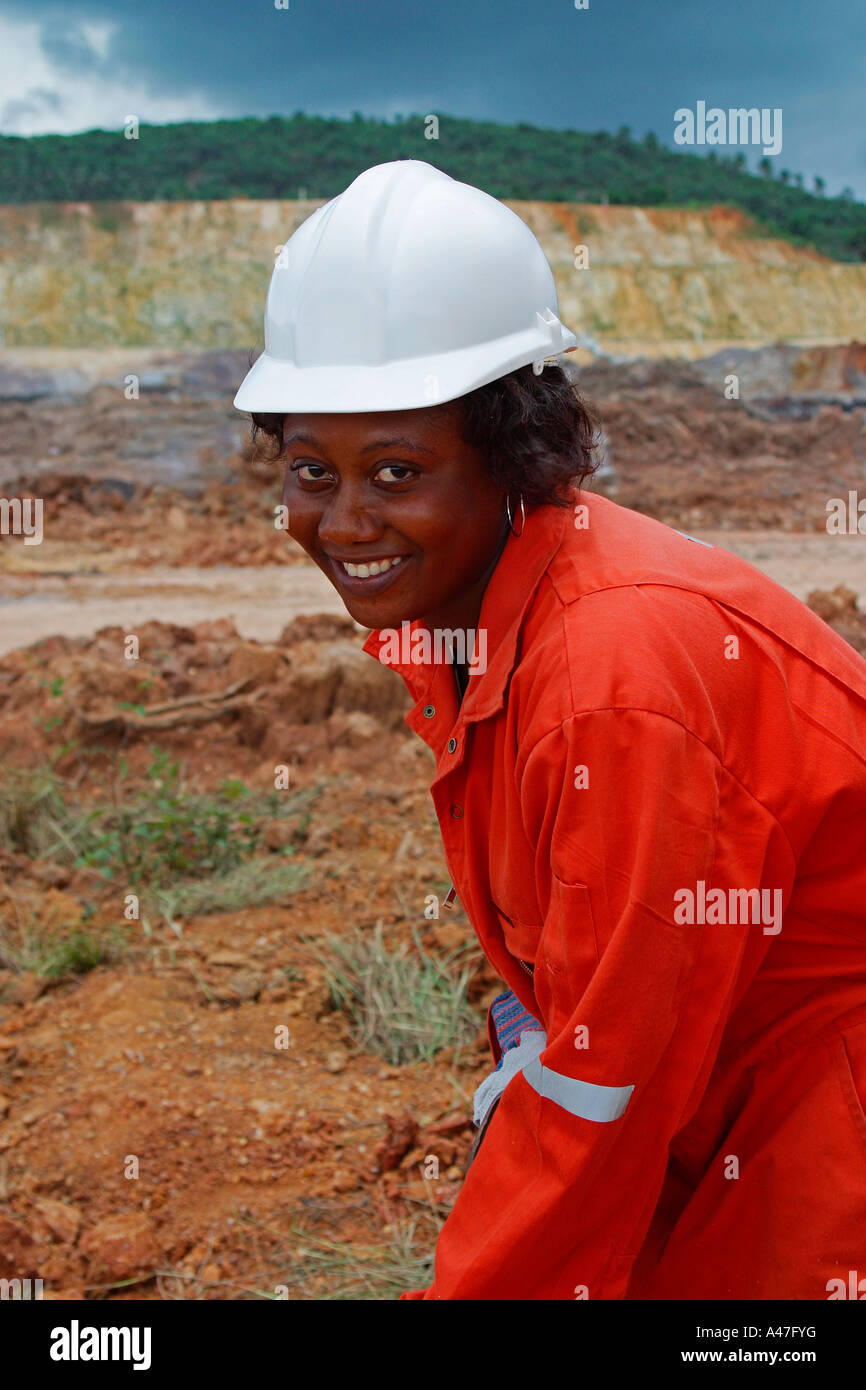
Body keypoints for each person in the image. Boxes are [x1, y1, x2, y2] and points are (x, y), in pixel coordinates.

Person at [235, 159, 866, 1300]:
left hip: (820, 1094)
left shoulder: (608, 676)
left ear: (511, 451)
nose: (344, 520)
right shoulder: (479, 617)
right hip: (721, 1064)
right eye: (307, 471)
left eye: (395, 470)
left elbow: (606, 1082)